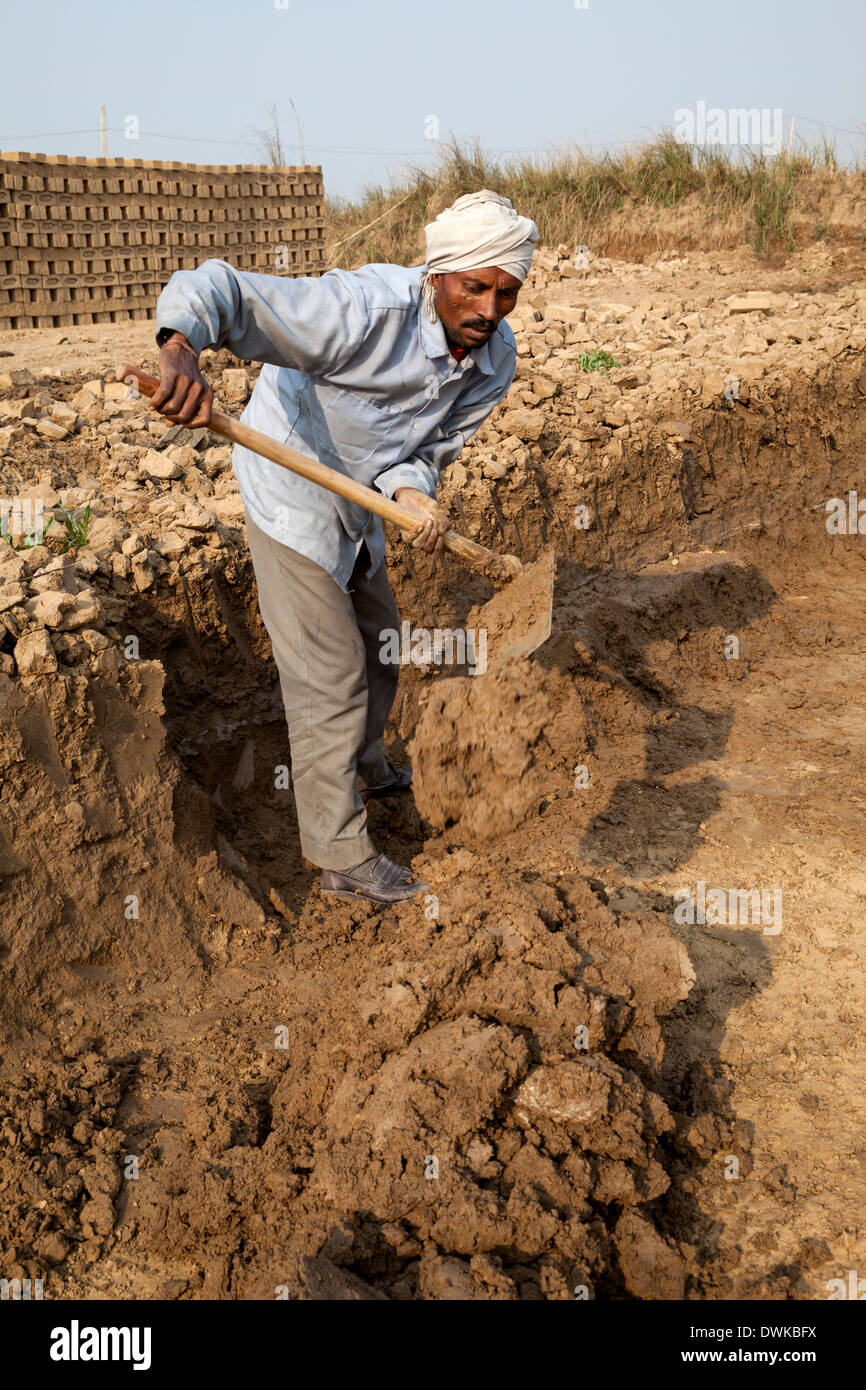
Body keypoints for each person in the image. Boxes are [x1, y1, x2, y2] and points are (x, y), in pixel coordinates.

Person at [150, 190, 538, 904]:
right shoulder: (362, 313)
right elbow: (226, 292)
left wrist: (415, 495)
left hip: (359, 501)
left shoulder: (493, 363)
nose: (488, 310)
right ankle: (340, 858)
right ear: (437, 274)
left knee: (381, 638)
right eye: (475, 288)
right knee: (329, 672)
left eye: (505, 294)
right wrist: (180, 347)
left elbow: (427, 450)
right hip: (290, 484)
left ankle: (365, 764)